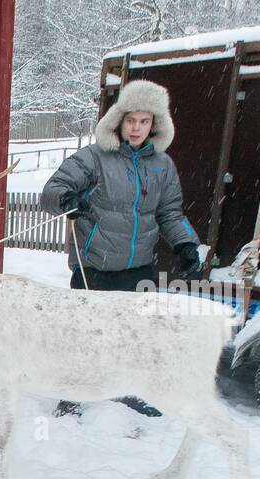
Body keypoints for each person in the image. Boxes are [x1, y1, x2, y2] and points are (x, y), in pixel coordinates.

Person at [40, 78, 203, 418]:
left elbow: (170, 213)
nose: (136, 128)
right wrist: (66, 199)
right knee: (83, 336)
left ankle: (128, 392)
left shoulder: (162, 166)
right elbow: (53, 190)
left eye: (144, 121)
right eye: (131, 120)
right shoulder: (94, 157)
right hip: (94, 266)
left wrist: (186, 243)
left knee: (133, 337)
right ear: (118, 120)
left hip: (137, 267)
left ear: (155, 124)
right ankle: (72, 395)